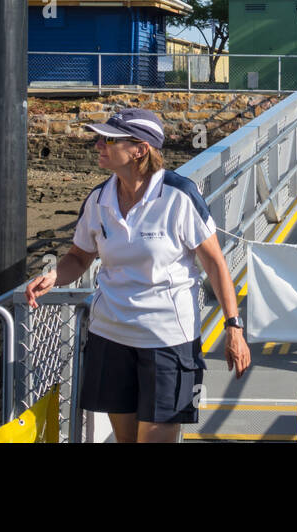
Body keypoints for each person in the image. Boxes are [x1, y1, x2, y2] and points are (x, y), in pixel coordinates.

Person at [25, 107, 250, 443]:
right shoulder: (98, 200)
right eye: (99, 138)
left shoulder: (179, 196)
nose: (97, 145)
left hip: (168, 341)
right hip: (110, 336)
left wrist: (233, 327)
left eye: (108, 140)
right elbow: (79, 256)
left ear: (140, 149)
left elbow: (216, 264)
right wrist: (54, 276)